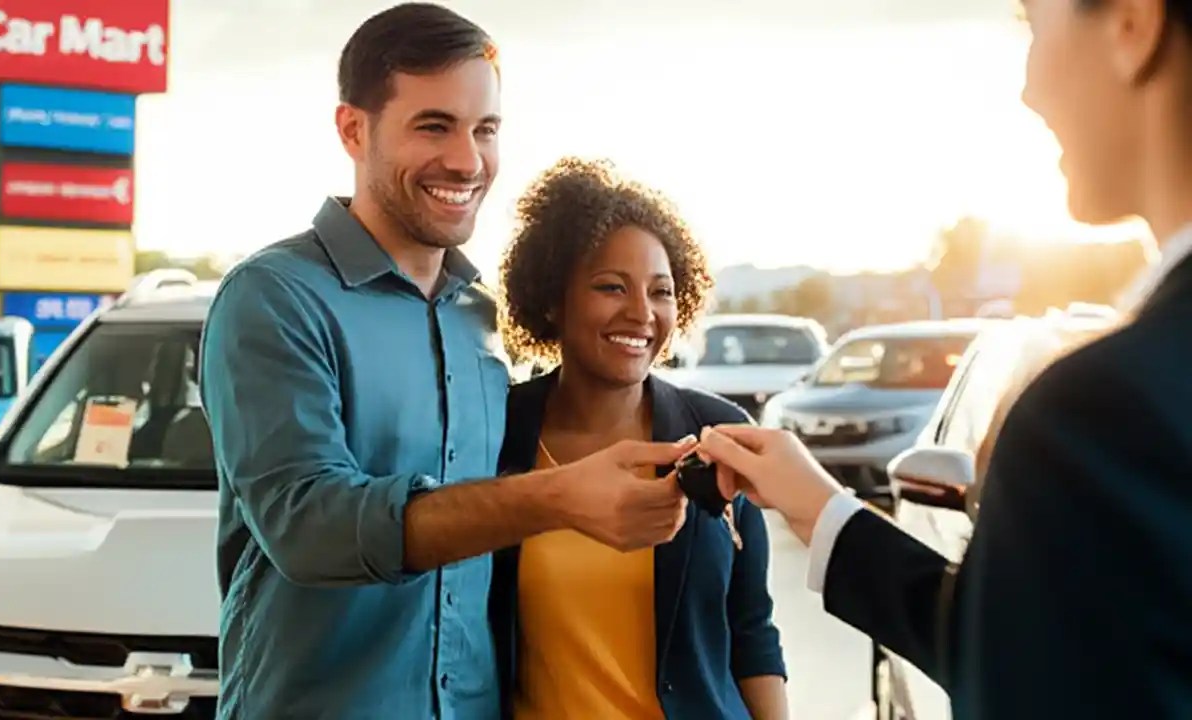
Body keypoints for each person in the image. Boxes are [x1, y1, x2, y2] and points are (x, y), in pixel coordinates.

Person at [697, 0, 1192, 717]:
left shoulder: (1102, 413)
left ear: (1131, 25)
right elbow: (1062, 648)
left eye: (1030, 24)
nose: (1028, 89)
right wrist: (824, 509)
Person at [199, 6, 693, 719]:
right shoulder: (273, 298)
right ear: (353, 129)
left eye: (485, 129)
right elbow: (308, 526)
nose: (467, 161)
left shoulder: (481, 319)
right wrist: (556, 499)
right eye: (434, 126)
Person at [488, 158, 790, 720]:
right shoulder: (494, 434)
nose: (641, 313)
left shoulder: (717, 435)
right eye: (610, 286)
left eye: (661, 291)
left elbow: (751, 629)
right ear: (552, 298)